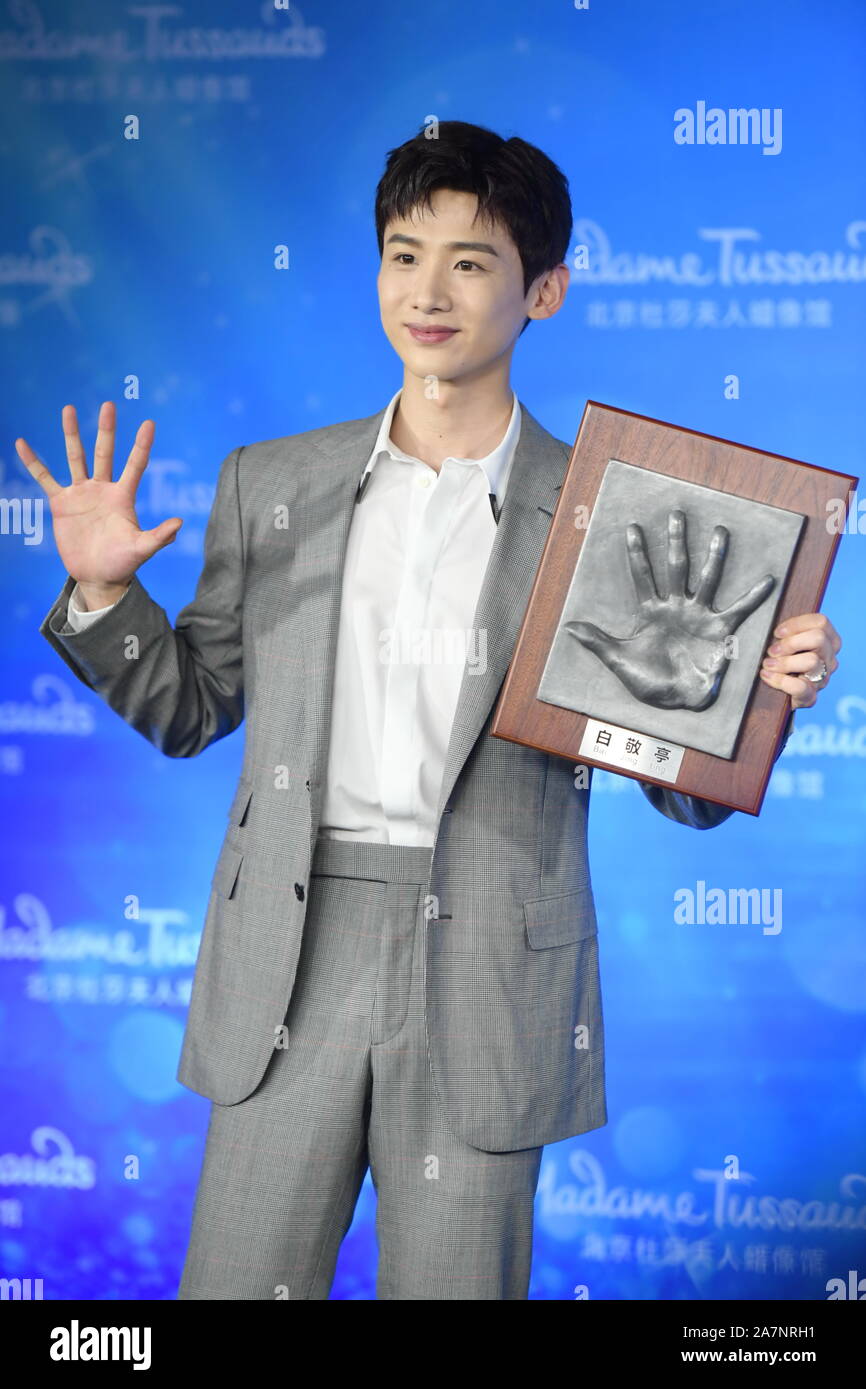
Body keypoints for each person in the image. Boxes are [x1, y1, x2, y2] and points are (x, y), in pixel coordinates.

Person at [19, 120, 842, 1300]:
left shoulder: (600, 513)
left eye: (470, 260)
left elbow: (677, 789)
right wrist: (104, 590)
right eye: (404, 255)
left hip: (489, 968)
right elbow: (193, 708)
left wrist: (749, 697)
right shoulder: (275, 483)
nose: (428, 291)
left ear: (541, 291)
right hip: (291, 955)